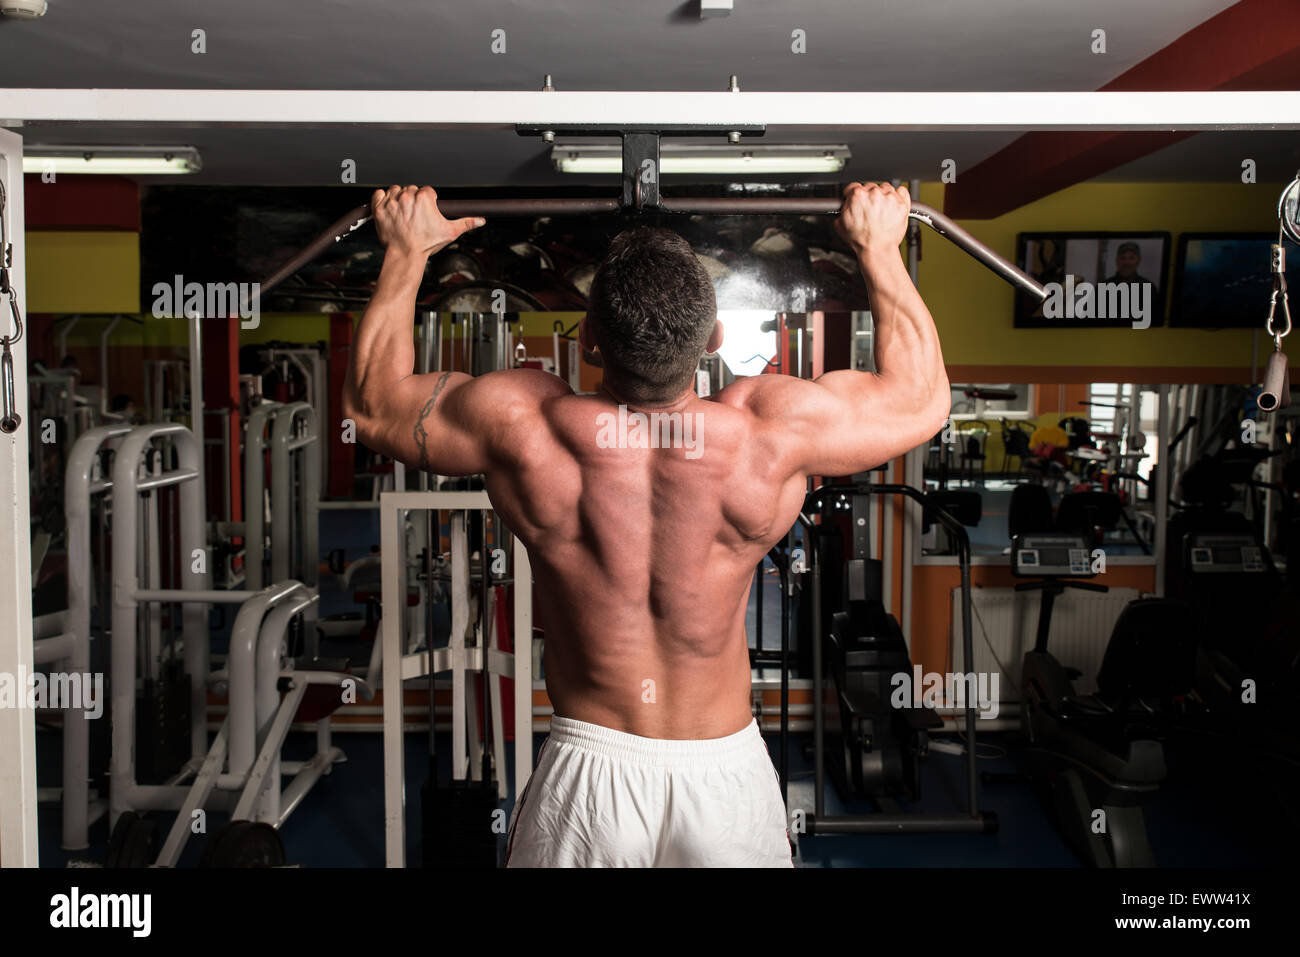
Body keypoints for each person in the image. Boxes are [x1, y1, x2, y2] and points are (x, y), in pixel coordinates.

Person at [343, 182, 950, 867]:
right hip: (725, 776)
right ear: (715, 337)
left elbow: (372, 405)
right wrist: (879, 247)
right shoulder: (766, 434)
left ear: (590, 339)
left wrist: (406, 250)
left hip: (588, 773)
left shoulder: (526, 426)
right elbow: (921, 401)